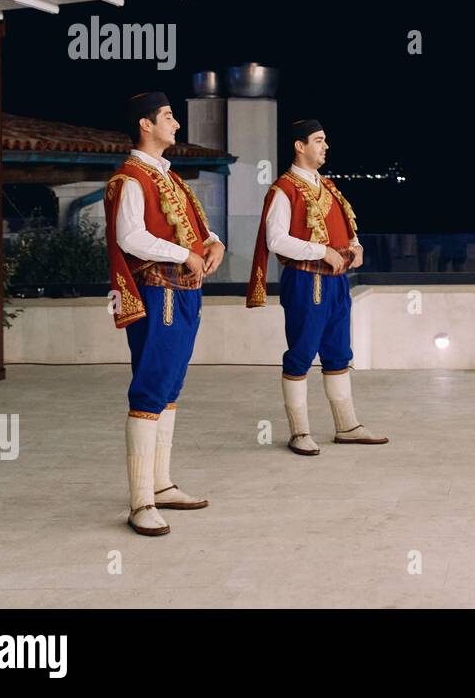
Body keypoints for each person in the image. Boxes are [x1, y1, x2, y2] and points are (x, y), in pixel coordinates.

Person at [104, 91, 225, 536]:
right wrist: (185, 255)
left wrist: (213, 242)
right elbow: (130, 236)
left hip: (183, 290)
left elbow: (193, 224)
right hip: (161, 292)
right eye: (169, 116)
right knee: (151, 387)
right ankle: (139, 502)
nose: (176, 123)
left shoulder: (168, 178)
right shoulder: (131, 178)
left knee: (171, 387)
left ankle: (160, 484)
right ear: (145, 124)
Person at [247, 119, 387, 455]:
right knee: (301, 352)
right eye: (319, 140)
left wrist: (356, 246)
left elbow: (345, 227)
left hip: (337, 280)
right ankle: (299, 431)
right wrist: (321, 251)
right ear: (300, 145)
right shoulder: (284, 189)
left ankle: (347, 425)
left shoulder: (329, 186)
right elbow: (276, 240)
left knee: (339, 351)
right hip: (306, 279)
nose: (325, 146)